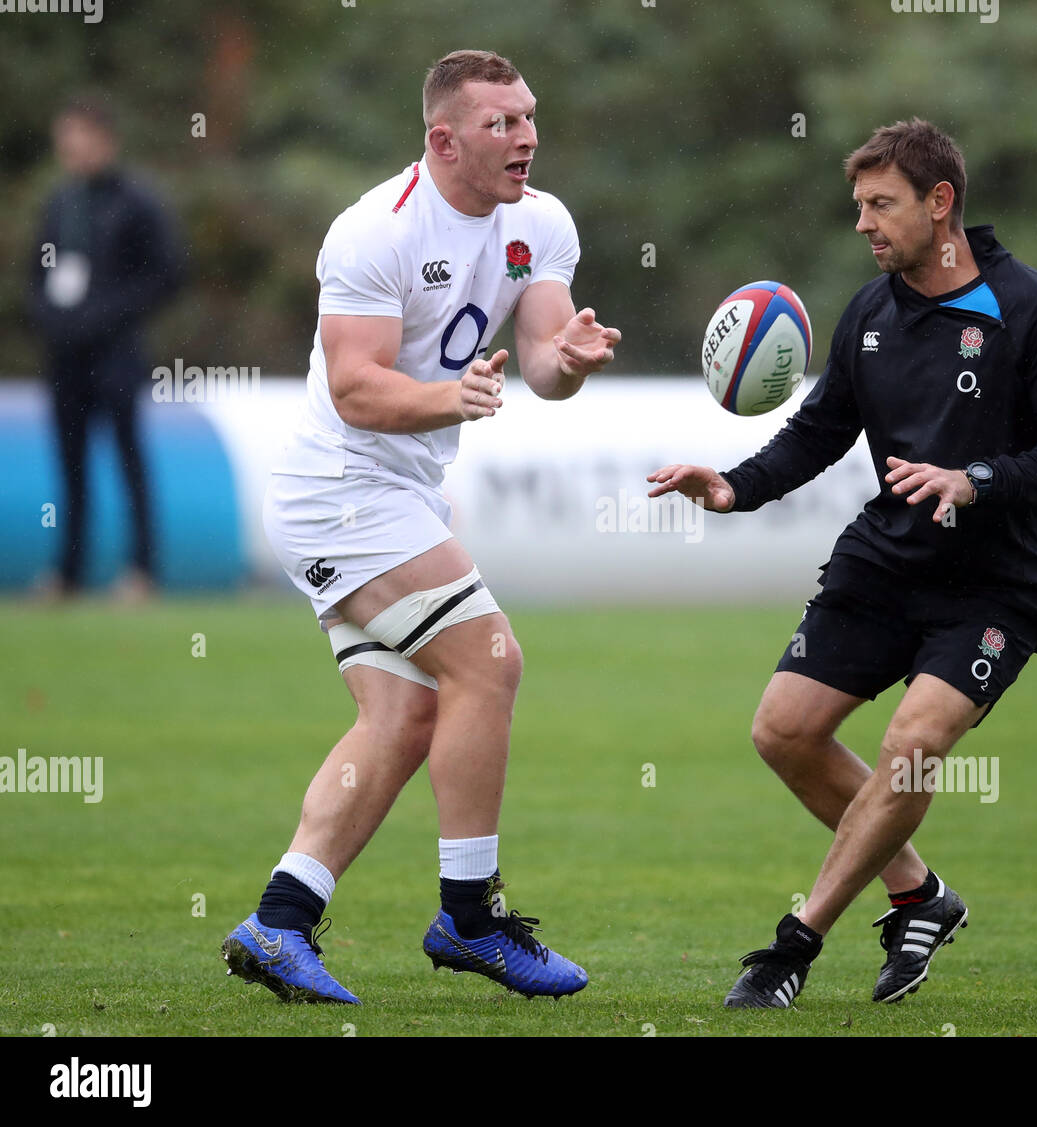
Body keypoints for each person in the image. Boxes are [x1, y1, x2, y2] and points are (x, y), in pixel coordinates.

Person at [648, 118, 1037, 1009]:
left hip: (1000, 584)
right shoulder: (870, 310)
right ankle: (919, 893)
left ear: (941, 205)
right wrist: (733, 487)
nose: (864, 223)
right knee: (782, 731)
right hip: (886, 562)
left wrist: (977, 478)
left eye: (881, 205)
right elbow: (823, 431)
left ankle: (792, 947)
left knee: (910, 746)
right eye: (858, 205)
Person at [221, 50, 619, 1004]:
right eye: (501, 124)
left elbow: (544, 359)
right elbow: (356, 388)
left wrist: (568, 356)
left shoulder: (541, 221)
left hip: (397, 496)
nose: (525, 136)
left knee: (403, 716)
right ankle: (470, 917)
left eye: (529, 117)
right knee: (490, 657)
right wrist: (451, 396)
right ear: (444, 140)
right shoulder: (374, 230)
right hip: (338, 489)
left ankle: (279, 921)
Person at [28, 95, 184, 599]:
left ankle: (142, 570)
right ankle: (68, 574)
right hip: (65, 357)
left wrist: (107, 313)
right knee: (68, 465)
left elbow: (168, 272)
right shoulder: (61, 202)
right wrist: (50, 317)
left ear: (104, 139)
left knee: (128, 459)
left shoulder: (136, 201)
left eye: (79, 136)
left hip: (116, 354)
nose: (70, 148)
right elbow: (37, 273)